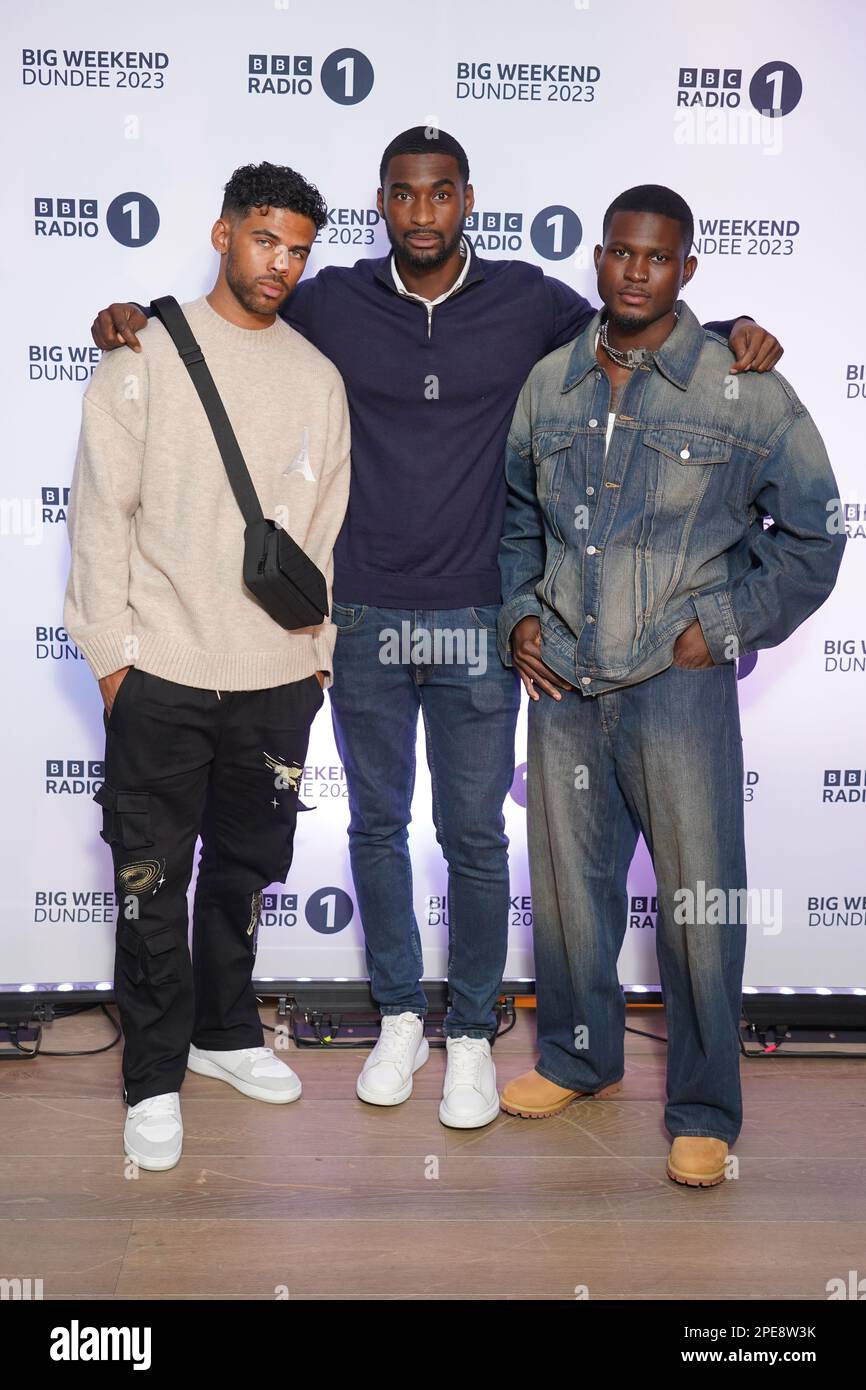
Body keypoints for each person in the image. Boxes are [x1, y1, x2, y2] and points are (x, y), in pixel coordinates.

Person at [90, 130, 783, 1131]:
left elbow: (634, 327)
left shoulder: (530, 301)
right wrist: (133, 320)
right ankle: (398, 1020)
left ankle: (467, 1031)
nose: (421, 214)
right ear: (381, 204)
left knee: (469, 834)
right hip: (361, 611)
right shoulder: (329, 299)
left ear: (468, 200)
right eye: (403, 197)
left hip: (473, 619)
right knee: (373, 825)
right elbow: (228, 326)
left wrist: (733, 325)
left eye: (440, 194)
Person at [496, 184, 845, 1184]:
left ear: (686, 267)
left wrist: (721, 627)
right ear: (598, 259)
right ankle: (574, 1055)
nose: (633, 270)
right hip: (561, 679)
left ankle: (701, 1106)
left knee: (696, 902)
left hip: (675, 689)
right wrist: (518, 614)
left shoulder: (742, 388)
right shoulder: (550, 382)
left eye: (655, 256)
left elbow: (814, 535)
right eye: (617, 252)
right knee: (567, 898)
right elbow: (515, 514)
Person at [65, 162, 351, 1171]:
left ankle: (224, 1032)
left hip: (275, 682)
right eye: (265, 240)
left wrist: (312, 662)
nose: (281, 264)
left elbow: (323, 532)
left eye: (298, 249)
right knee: (150, 882)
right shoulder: (142, 352)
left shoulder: (316, 377)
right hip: (164, 674)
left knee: (243, 873)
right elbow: (102, 515)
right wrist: (113, 661)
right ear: (225, 232)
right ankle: (152, 1073)